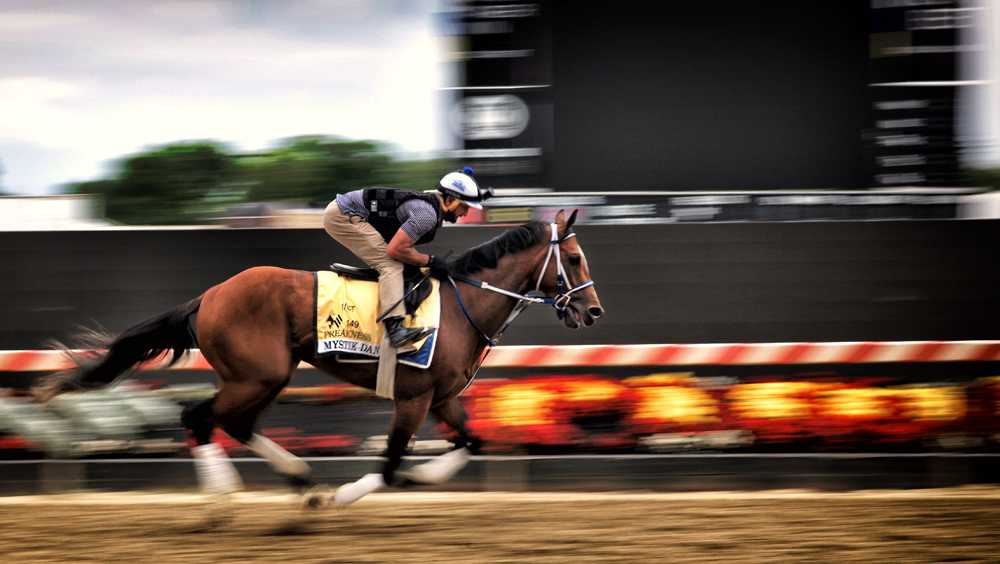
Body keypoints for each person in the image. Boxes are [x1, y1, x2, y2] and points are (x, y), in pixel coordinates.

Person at [323, 167, 492, 348]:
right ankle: (395, 329)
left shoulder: (430, 206)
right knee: (391, 266)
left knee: (407, 266)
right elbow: (395, 250)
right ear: (450, 200)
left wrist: (425, 261)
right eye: (464, 207)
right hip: (343, 215)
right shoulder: (427, 215)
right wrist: (431, 261)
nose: (465, 214)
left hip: (352, 211)